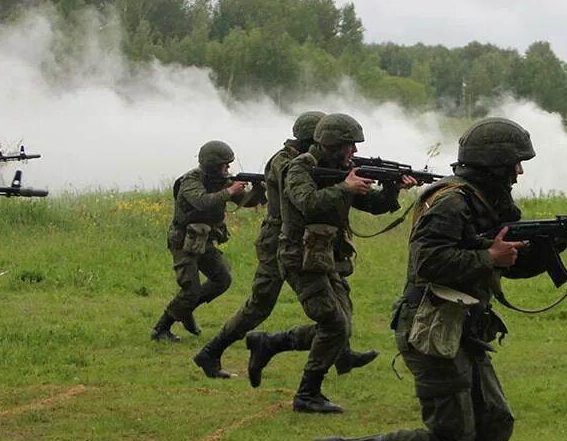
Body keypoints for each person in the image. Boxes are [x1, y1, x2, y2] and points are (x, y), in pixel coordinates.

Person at [310, 116, 567, 441]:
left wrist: (558, 244)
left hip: (464, 327)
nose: (519, 172)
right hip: (431, 328)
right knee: (452, 438)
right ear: (494, 164)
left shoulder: (491, 204)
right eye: (515, 163)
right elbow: (429, 263)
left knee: (495, 425)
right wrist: (489, 257)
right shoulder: (451, 204)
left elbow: (508, 264)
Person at [255, 113, 415, 413]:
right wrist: (346, 187)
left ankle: (271, 343)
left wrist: (393, 189)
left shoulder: (341, 168)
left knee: (343, 323)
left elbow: (371, 205)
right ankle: (306, 394)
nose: (353, 153)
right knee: (334, 323)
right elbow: (307, 203)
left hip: (324, 256)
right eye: (349, 146)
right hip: (298, 257)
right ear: (330, 143)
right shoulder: (300, 167)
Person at [192, 111, 324, 379]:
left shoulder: (306, 159)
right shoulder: (284, 161)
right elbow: (299, 193)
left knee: (331, 298)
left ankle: (339, 351)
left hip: (301, 242)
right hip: (278, 241)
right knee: (261, 305)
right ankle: (213, 351)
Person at [151, 140, 261, 343]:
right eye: (224, 165)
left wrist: (259, 190)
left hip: (205, 239)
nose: (228, 169)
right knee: (190, 289)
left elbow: (246, 201)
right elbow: (201, 202)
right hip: (183, 241)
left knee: (222, 278)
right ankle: (161, 329)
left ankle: (184, 309)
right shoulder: (190, 181)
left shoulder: (221, 181)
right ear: (212, 165)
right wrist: (229, 191)